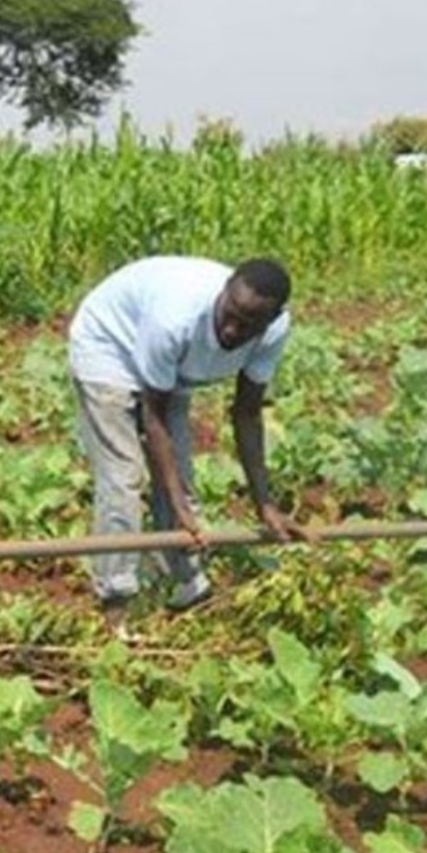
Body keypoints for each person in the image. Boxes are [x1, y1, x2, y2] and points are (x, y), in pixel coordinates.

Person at [65, 255, 313, 623]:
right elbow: (154, 417)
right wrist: (179, 506)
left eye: (247, 325)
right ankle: (115, 601)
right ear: (223, 293)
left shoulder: (274, 330)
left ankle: (185, 585)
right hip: (110, 349)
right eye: (228, 314)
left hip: (174, 369)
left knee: (179, 481)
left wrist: (265, 504)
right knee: (123, 478)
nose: (231, 330)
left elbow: (246, 413)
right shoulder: (176, 318)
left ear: (271, 320)